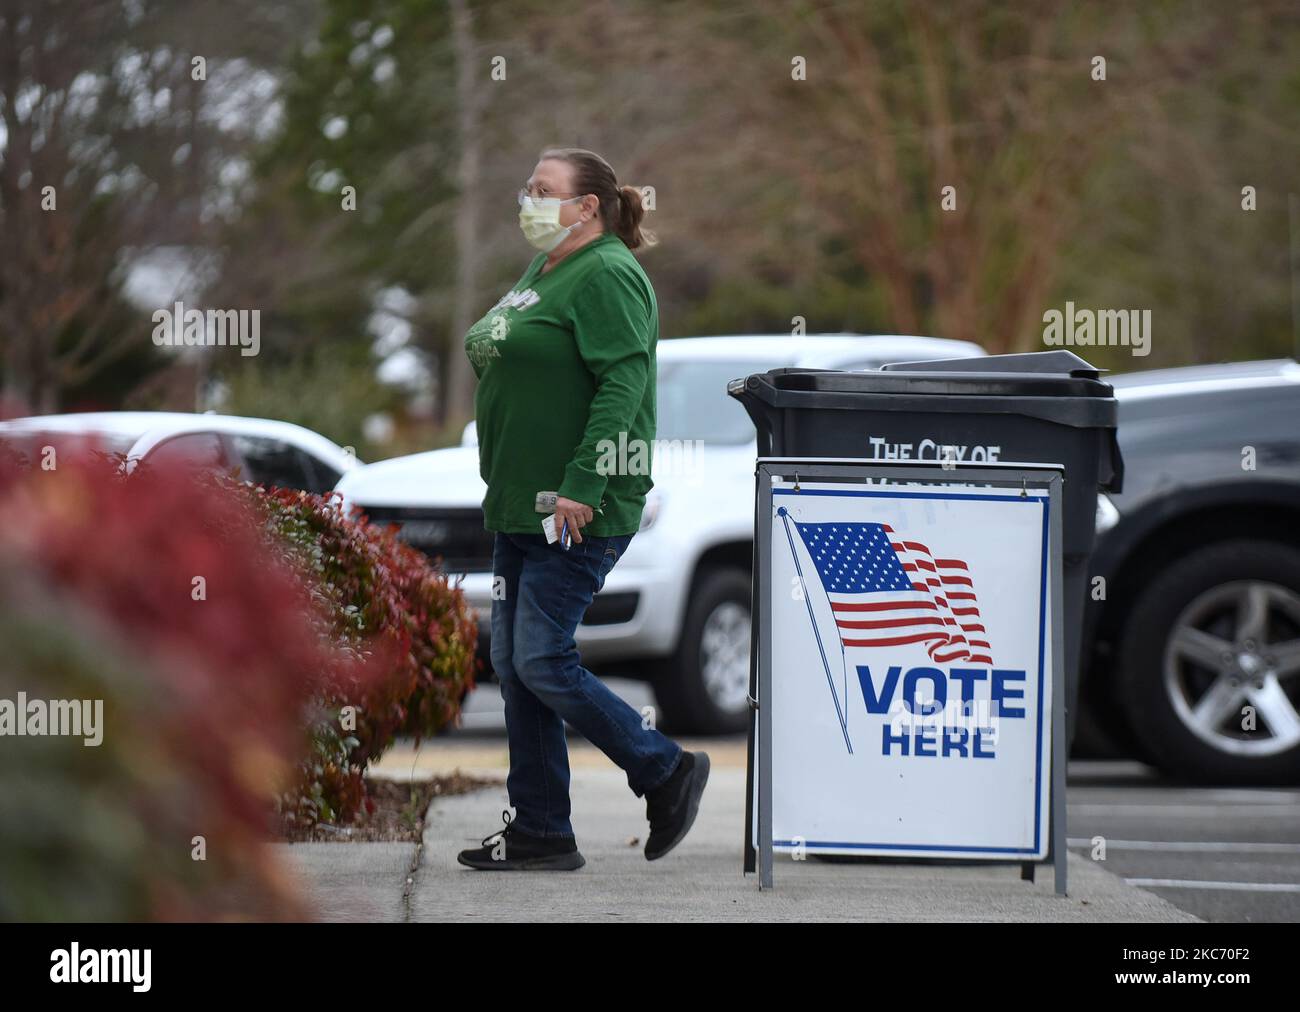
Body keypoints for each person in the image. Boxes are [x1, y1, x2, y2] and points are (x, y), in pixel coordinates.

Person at [457, 147, 709, 871]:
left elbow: (621, 385)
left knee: (541, 656)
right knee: (513, 660)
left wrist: (584, 483)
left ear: (588, 206)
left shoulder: (607, 274)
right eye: (528, 187)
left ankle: (664, 768)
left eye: (544, 190)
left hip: (574, 505)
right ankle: (541, 829)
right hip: (518, 504)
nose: (528, 201)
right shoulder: (546, 270)